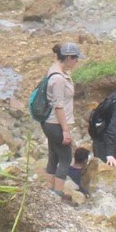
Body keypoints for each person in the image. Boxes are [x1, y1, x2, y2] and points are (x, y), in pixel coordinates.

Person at [41, 42, 81, 198]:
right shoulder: (58, 79)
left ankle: (49, 191)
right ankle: (57, 194)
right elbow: (58, 106)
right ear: (69, 58)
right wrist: (65, 130)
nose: (77, 62)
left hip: (50, 123)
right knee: (65, 159)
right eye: (76, 59)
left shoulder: (55, 70)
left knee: (53, 155)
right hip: (56, 124)